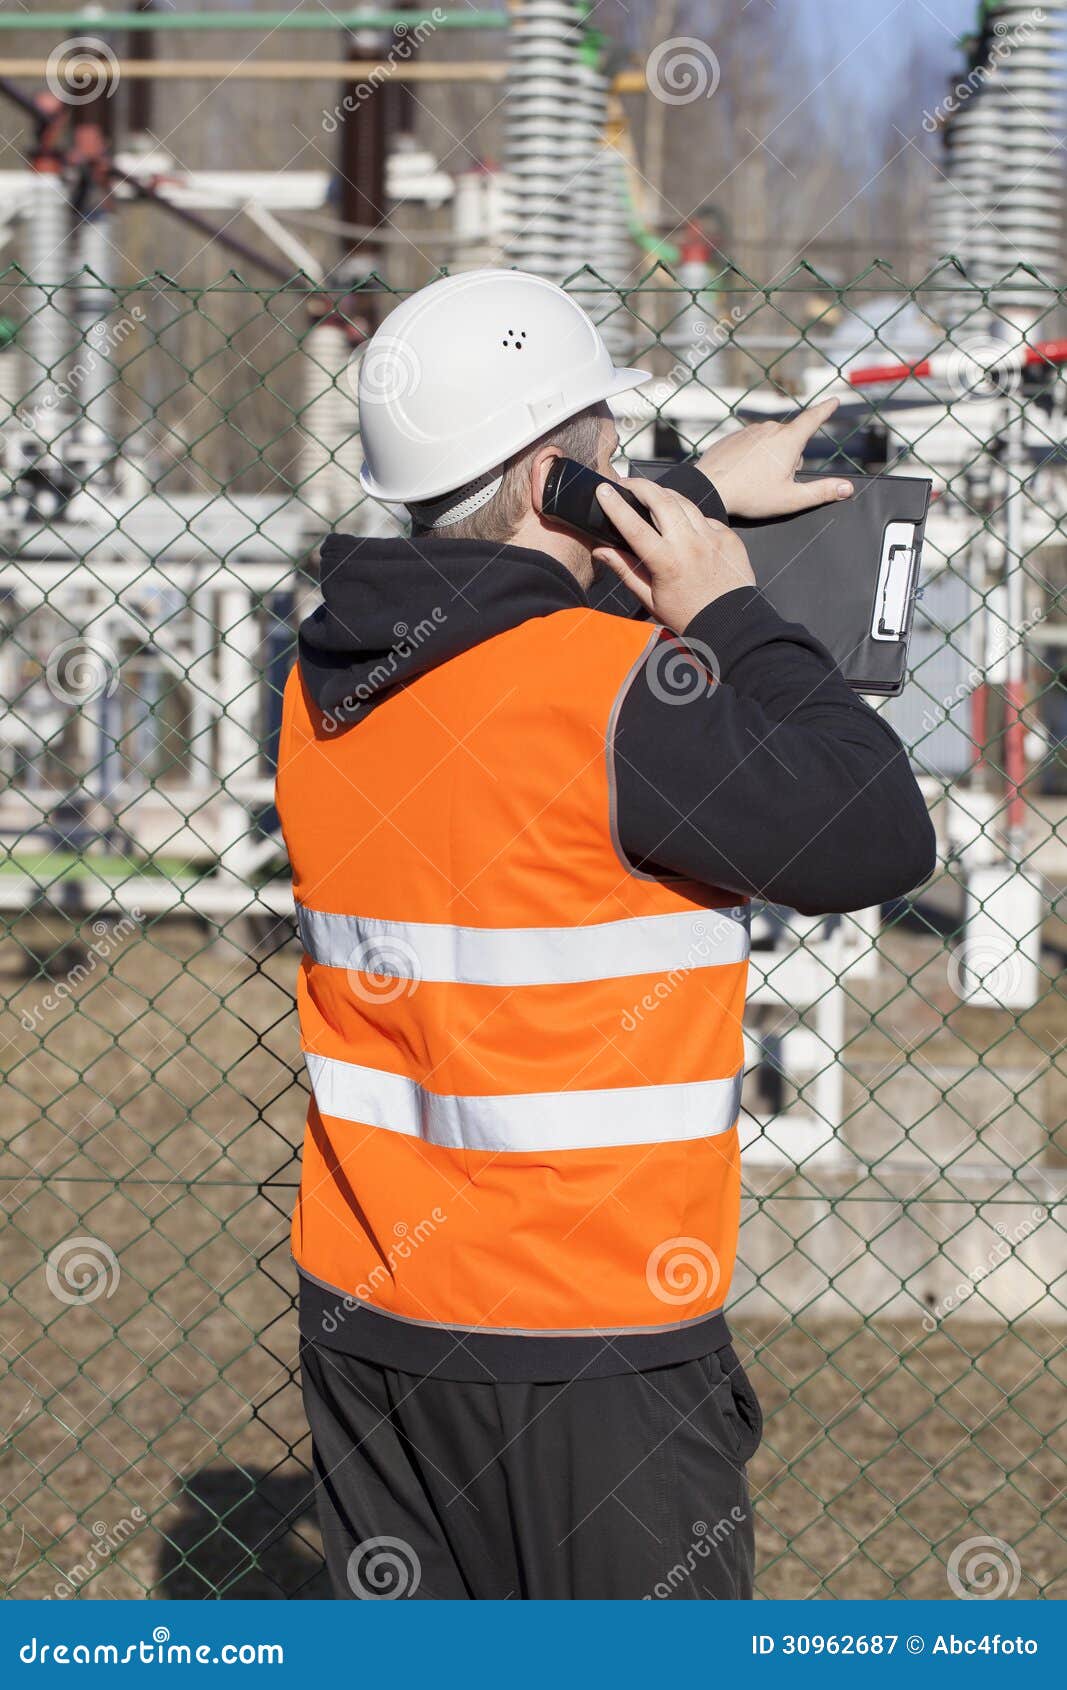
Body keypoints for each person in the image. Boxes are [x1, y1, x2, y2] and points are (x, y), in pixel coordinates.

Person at [275, 269, 935, 1601]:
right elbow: (877, 831)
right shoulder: (619, 694)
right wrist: (731, 609)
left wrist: (689, 493)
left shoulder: (326, 678)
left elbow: (494, 617)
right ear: (554, 481)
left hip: (371, 1313)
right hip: (587, 1342)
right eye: (604, 455)